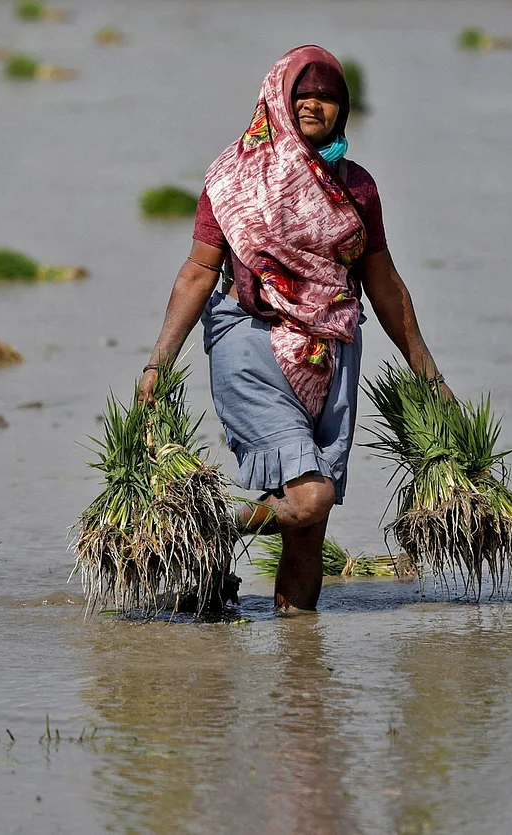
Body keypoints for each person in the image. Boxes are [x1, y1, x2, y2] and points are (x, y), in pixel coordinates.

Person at [139, 45, 451, 614]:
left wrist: (429, 375)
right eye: (303, 93)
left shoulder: (356, 186)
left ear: (345, 109)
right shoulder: (234, 178)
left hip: (330, 351)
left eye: (329, 96)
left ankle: (300, 675)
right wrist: (159, 361)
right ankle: (209, 534)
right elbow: (199, 271)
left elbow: (384, 285)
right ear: (277, 100)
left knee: (309, 528)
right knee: (311, 497)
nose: (315, 104)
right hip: (250, 342)